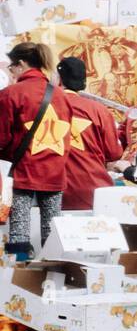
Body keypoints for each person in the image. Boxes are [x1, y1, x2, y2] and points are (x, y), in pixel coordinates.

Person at [0, 42, 73, 260]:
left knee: (19, 233)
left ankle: (21, 281)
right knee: (53, 233)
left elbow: (1, 137)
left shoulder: (11, 94)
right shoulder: (60, 95)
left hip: (24, 171)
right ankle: (55, 275)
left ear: (20, 64)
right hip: (55, 171)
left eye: (11, 67)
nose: (11, 72)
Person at [56, 56, 126, 212]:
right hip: (94, 188)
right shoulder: (98, 109)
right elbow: (114, 153)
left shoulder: (46, 106)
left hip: (54, 190)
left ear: (59, 79)